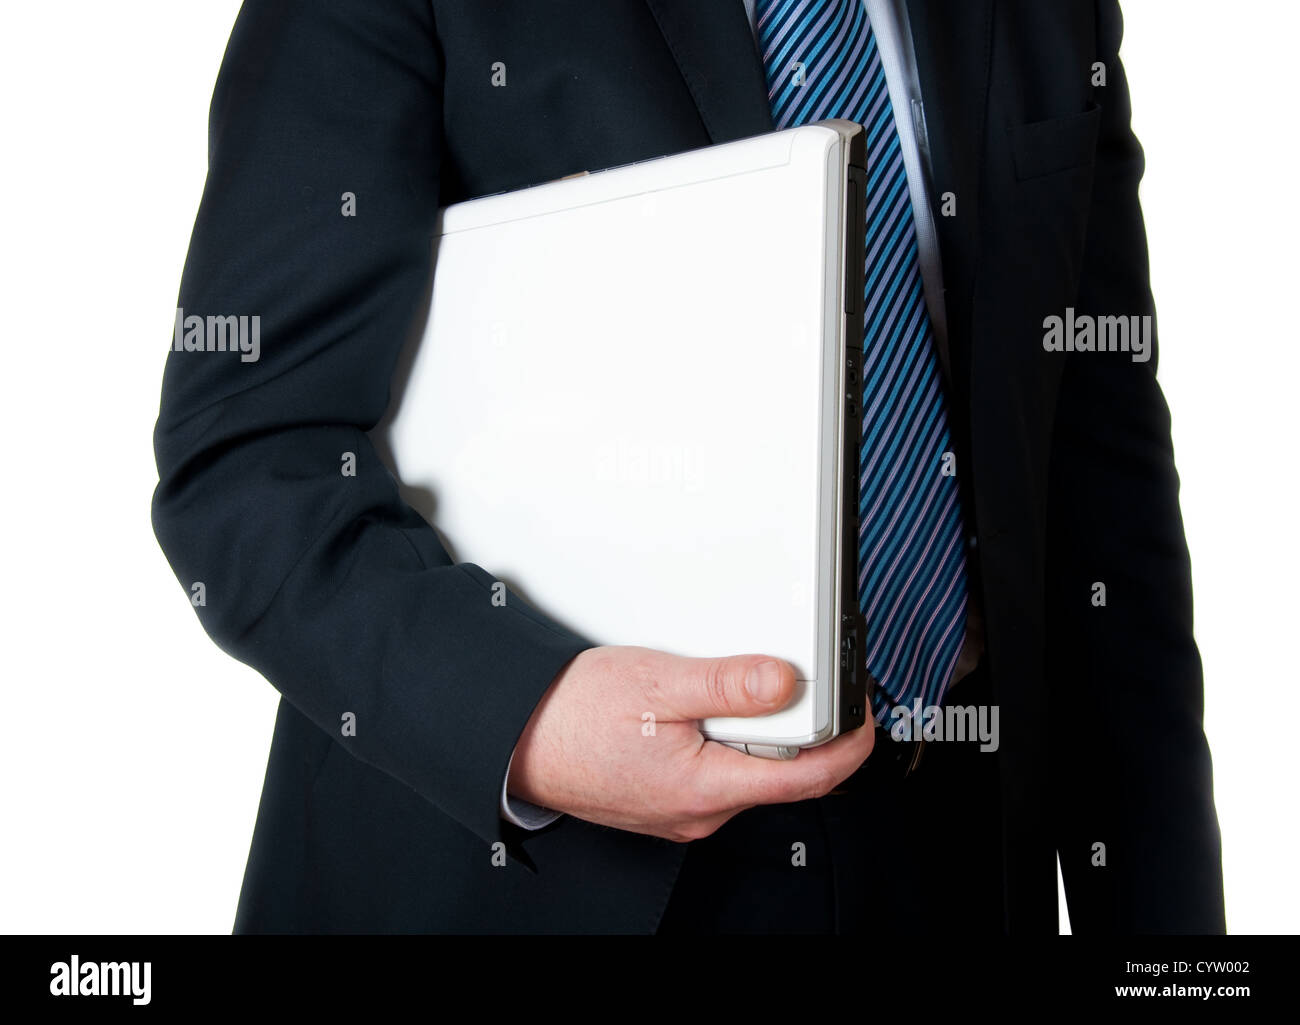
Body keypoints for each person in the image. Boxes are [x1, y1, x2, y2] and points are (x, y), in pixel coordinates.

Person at [151, 0, 1225, 934]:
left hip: (946, 857)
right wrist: (524, 719)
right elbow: (248, 452)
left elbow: (1102, 487)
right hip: (524, 873)